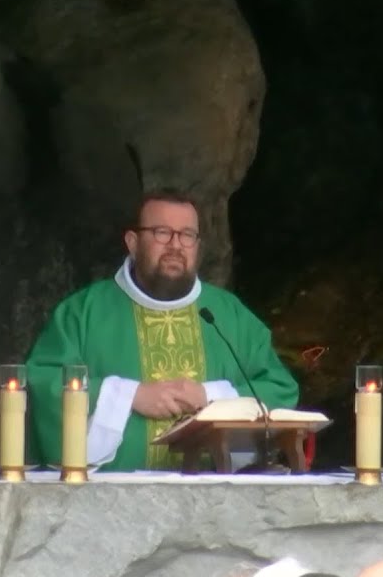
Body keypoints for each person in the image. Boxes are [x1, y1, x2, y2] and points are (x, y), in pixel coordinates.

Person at [26, 189, 299, 471]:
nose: (175, 245)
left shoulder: (228, 315)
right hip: (107, 498)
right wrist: (128, 395)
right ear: (132, 243)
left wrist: (210, 397)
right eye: (162, 232)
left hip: (213, 498)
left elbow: (279, 389)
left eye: (187, 235)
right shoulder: (82, 312)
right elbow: (45, 382)